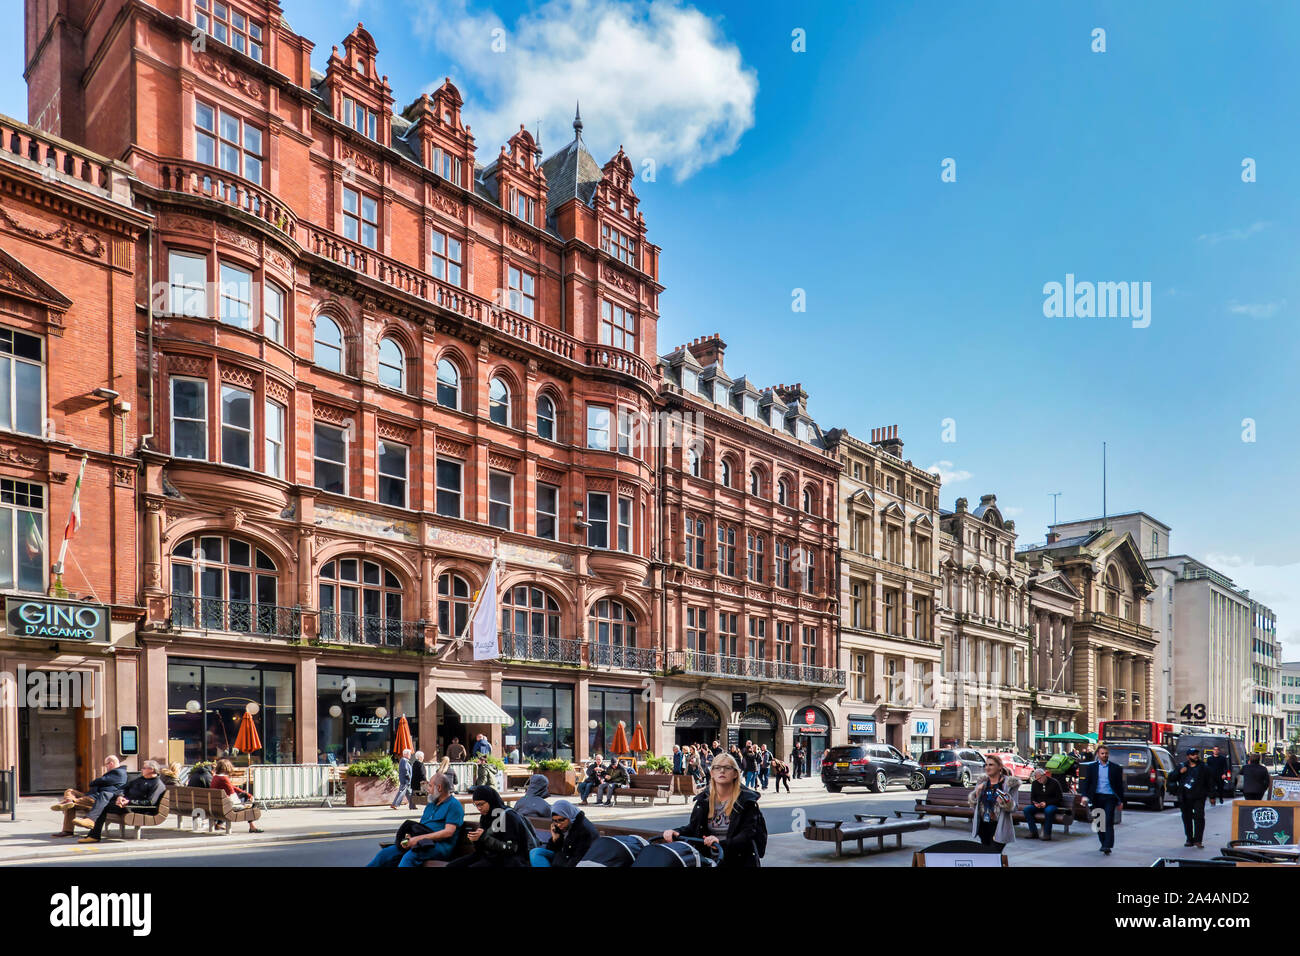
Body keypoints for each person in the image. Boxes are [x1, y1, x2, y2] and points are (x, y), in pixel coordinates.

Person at [662, 752, 766, 868]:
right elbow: (694, 827)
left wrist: (720, 843)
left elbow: (747, 835)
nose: (722, 771)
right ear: (712, 773)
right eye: (717, 768)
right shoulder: (704, 800)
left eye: (727, 768)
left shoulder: (746, 801)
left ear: (735, 774)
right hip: (710, 860)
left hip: (739, 860)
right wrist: (677, 831)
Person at [366, 773, 464, 867]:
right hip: (422, 843)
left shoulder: (454, 805)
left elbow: (448, 832)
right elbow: (422, 827)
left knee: (410, 857)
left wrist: (417, 839)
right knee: (386, 853)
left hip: (440, 847)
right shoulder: (431, 805)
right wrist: (410, 837)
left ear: (439, 788)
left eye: (430, 786)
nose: (428, 790)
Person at [80, 759, 169, 843]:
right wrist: (120, 797)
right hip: (125, 804)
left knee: (103, 805)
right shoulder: (140, 779)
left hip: (137, 808)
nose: (142, 769)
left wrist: (129, 802)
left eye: (144, 768)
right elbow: (122, 788)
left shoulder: (157, 784)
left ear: (151, 769)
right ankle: (90, 823)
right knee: (105, 795)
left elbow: (150, 802)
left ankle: (93, 834)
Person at [446, 786, 535, 868]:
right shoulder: (486, 816)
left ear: (491, 800)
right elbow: (481, 849)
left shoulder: (508, 817)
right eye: (476, 805)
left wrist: (484, 837)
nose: (479, 808)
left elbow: (511, 848)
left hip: (508, 860)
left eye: (481, 804)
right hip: (489, 856)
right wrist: (476, 840)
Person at [51, 755, 127, 837]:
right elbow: (100, 782)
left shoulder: (119, 772)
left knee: (70, 805)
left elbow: (97, 782)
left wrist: (96, 782)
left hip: (97, 799)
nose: (106, 767)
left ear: (111, 763)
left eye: (106, 764)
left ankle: (69, 804)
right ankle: (69, 805)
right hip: (91, 796)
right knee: (70, 791)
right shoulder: (112, 773)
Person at [1079, 744, 1125, 856]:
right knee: (1099, 822)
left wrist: (1121, 801)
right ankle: (1103, 843)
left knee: (1108, 820)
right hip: (1097, 797)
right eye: (1102, 753)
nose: (1104, 755)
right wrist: (1084, 796)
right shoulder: (1092, 767)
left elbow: (1120, 786)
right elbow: (1086, 783)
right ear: (1098, 755)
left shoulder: (1115, 768)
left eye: (1106, 753)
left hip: (1110, 797)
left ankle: (1107, 845)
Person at [968, 755, 1020, 851]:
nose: (987, 767)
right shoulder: (982, 782)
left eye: (991, 765)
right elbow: (974, 806)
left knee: (994, 852)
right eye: (986, 765)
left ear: (999, 767)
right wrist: (976, 794)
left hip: (999, 825)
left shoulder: (1010, 784)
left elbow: (1014, 807)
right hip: (983, 825)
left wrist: (1005, 802)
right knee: (987, 854)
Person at [530, 799, 599, 867]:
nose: (558, 824)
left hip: (578, 861)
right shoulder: (561, 826)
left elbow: (577, 859)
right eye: (555, 821)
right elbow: (553, 849)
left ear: (568, 815)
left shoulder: (584, 830)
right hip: (564, 856)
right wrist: (555, 840)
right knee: (535, 852)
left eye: (561, 820)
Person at [1168, 748, 1212, 848]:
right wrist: (1179, 772)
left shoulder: (1204, 767)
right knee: (1187, 818)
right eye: (1193, 754)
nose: (1195, 756)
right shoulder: (1182, 766)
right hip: (1185, 797)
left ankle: (1198, 840)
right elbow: (1172, 778)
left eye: (1196, 754)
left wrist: (1212, 795)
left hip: (1199, 796)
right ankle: (1189, 839)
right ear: (1188, 756)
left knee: (1199, 818)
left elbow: (1210, 781)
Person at [211, 757, 264, 832]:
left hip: (217, 805)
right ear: (227, 768)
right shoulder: (224, 778)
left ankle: (219, 824)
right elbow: (233, 795)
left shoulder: (215, 777)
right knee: (252, 805)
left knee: (245, 796)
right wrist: (243, 805)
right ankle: (252, 826)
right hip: (227, 807)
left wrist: (246, 794)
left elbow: (232, 787)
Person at [1024, 767, 1063, 841]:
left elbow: (1059, 798)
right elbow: (1033, 797)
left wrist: (1046, 803)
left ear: (1044, 775)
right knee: (1027, 810)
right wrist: (1035, 803)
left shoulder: (1054, 782)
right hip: (1039, 805)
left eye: (1040, 778)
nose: (1039, 781)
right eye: (1037, 779)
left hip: (1052, 804)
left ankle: (1047, 834)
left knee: (1048, 811)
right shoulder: (1035, 783)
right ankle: (1033, 832)